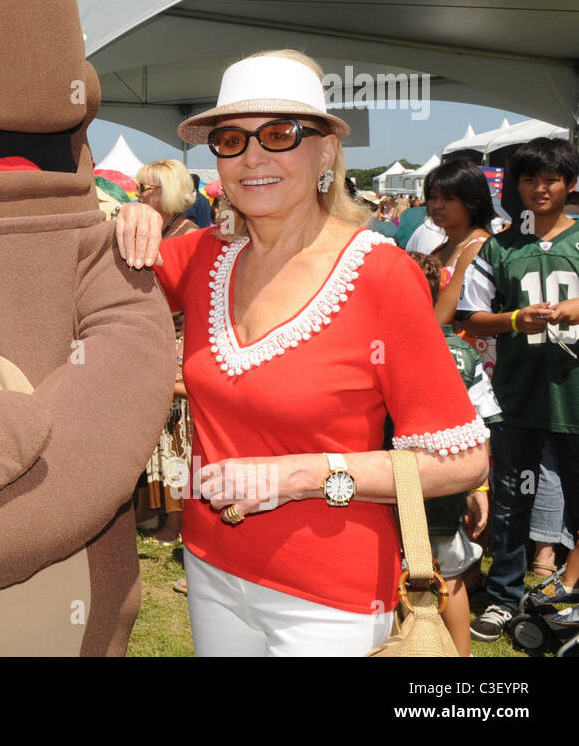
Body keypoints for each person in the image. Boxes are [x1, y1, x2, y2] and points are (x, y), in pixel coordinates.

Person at [115, 50, 488, 656]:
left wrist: (301, 475)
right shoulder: (207, 255)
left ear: (324, 152)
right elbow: (81, 273)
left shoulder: (380, 274)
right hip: (210, 568)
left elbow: (464, 460)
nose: (252, 157)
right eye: (231, 139)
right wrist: (129, 217)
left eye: (279, 135)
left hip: (327, 595)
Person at [457, 137, 579, 642]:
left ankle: (567, 596)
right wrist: (513, 319)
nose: (540, 188)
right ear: (515, 186)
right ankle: (503, 597)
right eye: (529, 178)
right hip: (517, 398)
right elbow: (469, 316)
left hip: (574, 396)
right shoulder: (499, 246)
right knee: (511, 500)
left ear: (569, 184)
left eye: (550, 178)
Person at [408, 251, 500, 657]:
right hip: (448, 480)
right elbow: (484, 422)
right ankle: (461, 653)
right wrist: (477, 484)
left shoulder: (381, 348)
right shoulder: (464, 353)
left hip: (396, 480)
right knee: (453, 571)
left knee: (406, 567)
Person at [133, 159, 198, 546]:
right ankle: (150, 507)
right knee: (152, 433)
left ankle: (176, 520)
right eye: (140, 187)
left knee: (176, 437)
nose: (139, 194)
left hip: (180, 346)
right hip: (153, 341)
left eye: (148, 188)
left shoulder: (190, 236)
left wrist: (181, 354)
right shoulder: (153, 230)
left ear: (169, 191)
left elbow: (197, 305)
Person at [424, 159, 496, 371]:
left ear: (471, 201)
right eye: (432, 197)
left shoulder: (477, 246)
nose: (437, 205)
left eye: (448, 198)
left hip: (470, 362)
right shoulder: (439, 249)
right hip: (446, 356)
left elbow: (442, 315)